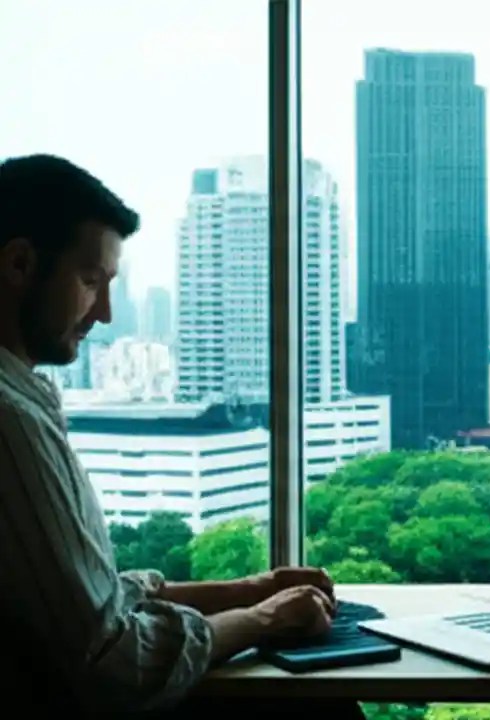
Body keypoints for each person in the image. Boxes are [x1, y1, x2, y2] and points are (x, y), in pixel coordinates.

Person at [0, 154, 364, 718]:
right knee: (313, 705)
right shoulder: (11, 423)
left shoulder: (26, 401)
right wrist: (266, 618)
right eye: (90, 281)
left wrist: (250, 588)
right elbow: (114, 661)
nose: (105, 313)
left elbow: (91, 603)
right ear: (20, 264)